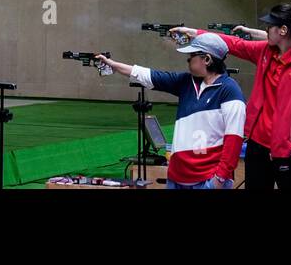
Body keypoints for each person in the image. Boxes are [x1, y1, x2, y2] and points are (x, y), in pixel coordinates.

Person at [175, 3, 291, 189]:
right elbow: (234, 44)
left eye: (270, 26)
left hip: (286, 151)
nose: (266, 30)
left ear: (283, 30)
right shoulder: (264, 51)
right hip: (256, 144)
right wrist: (195, 33)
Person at [93, 33, 245, 189]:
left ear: (207, 59)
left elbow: (234, 140)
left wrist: (218, 180)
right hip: (176, 179)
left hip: (207, 182)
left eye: (192, 55)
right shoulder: (186, 82)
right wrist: (113, 65)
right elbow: (148, 75)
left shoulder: (230, 90)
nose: (188, 59)